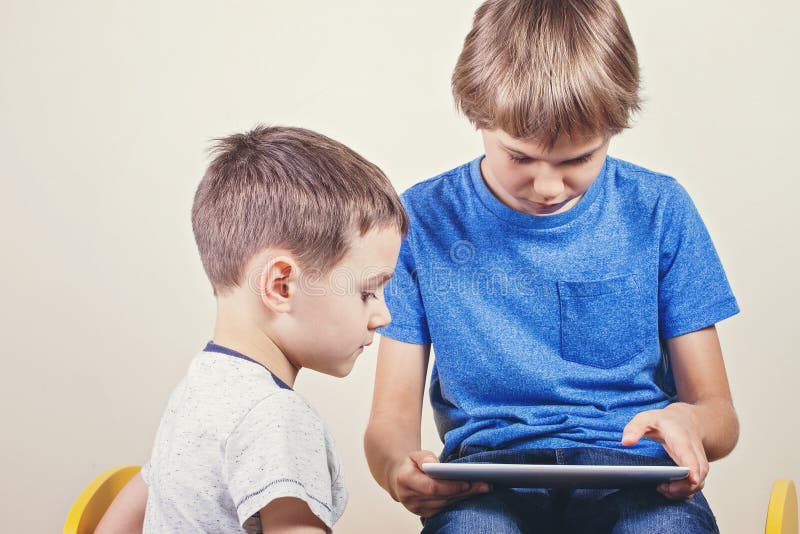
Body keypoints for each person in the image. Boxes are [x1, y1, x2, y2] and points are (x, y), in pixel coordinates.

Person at [363, 1, 738, 532]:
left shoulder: (659, 209)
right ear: (477, 116)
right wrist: (397, 466)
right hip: (487, 481)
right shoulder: (421, 221)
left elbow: (718, 413)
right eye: (519, 157)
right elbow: (390, 421)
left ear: (614, 128)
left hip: (636, 474)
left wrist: (690, 421)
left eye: (578, 160)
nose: (547, 187)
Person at [95, 125, 407, 533]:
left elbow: (143, 494)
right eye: (368, 292)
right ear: (281, 285)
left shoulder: (198, 387)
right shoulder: (276, 417)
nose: (383, 316)